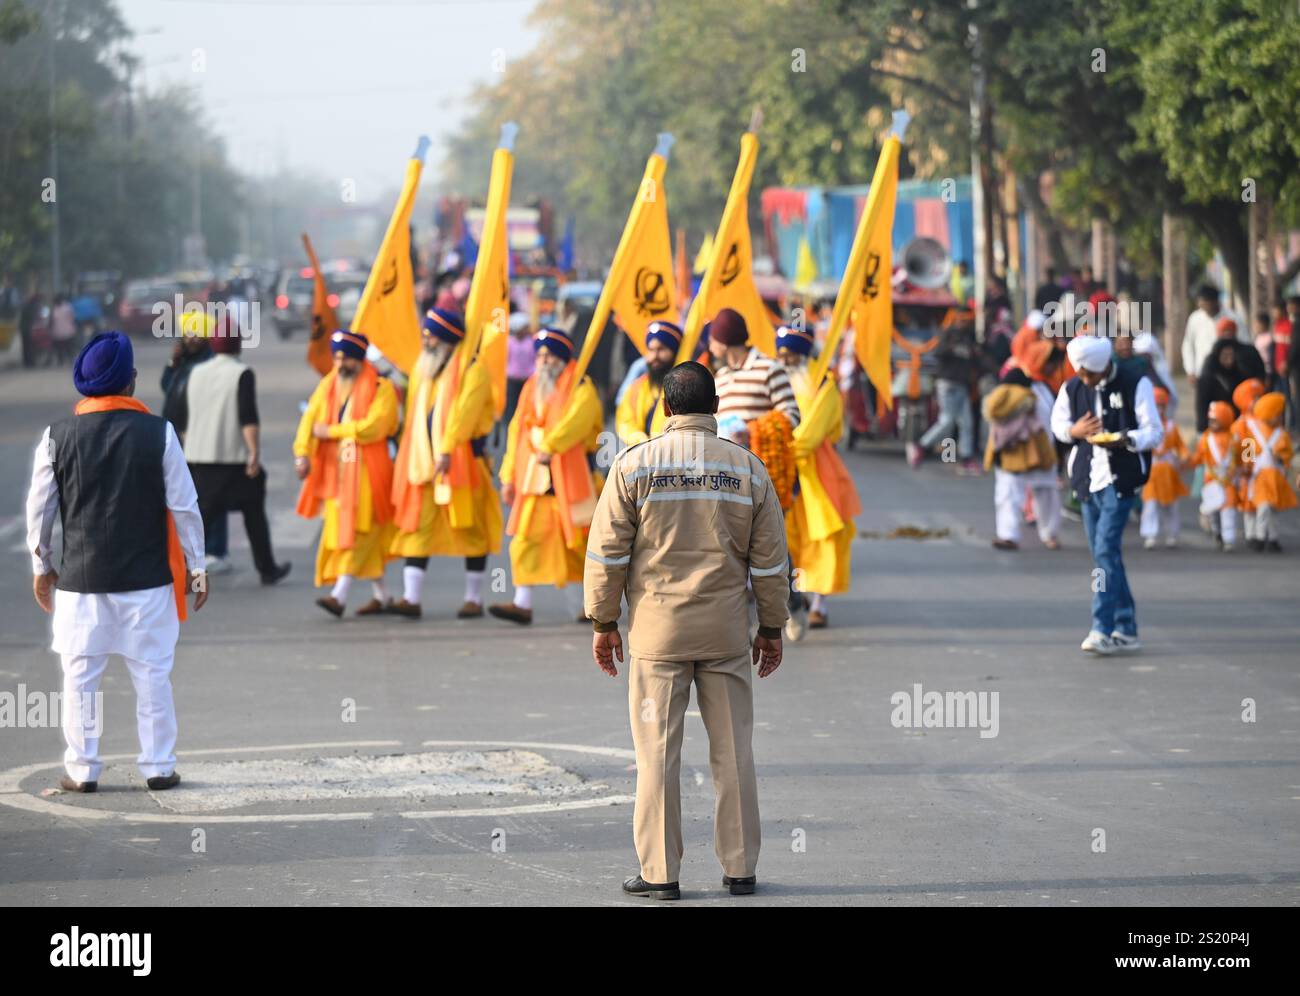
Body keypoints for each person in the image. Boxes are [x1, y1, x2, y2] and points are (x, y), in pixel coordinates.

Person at [584, 360, 788, 901]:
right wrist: (771, 626)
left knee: (656, 755)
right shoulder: (748, 470)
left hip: (658, 638)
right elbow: (770, 564)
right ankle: (740, 869)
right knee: (734, 753)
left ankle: (660, 875)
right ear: (715, 408)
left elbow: (606, 555)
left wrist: (604, 622)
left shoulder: (633, 467)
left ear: (666, 408)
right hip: (725, 636)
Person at [25, 331, 207, 793]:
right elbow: (185, 507)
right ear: (130, 382)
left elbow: (40, 510)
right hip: (147, 584)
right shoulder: (158, 433)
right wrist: (198, 567)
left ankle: (83, 770)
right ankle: (158, 767)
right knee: (152, 676)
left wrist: (42, 566)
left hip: (81, 584)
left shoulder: (56, 437)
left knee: (80, 679)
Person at [387, 308, 503, 619]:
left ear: (449, 341)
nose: (426, 342)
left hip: (463, 464)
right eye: (425, 336)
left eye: (432, 337)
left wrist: (447, 450)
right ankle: (410, 598)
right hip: (423, 466)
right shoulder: (423, 371)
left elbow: (464, 417)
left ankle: (473, 599)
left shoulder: (473, 371)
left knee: (469, 528)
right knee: (418, 528)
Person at [1051, 334, 1163, 655]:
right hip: (1087, 480)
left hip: (1121, 479)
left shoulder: (1134, 383)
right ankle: (1126, 627)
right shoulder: (1072, 388)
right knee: (1106, 554)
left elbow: (1154, 432)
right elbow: (1058, 425)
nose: (1084, 380)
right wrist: (1075, 432)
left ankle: (1101, 626)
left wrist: (1125, 439)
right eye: (1080, 373)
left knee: (1103, 553)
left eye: (1090, 374)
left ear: (1104, 366)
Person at [489, 327, 603, 625]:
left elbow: (579, 422)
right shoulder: (531, 386)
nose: (543, 361)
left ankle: (589, 606)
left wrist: (551, 446)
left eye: (549, 355)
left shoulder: (582, 387)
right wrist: (508, 476)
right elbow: (516, 430)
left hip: (573, 480)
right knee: (524, 541)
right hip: (535, 482)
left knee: (578, 545)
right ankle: (521, 603)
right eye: (539, 355)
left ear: (562, 358)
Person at [172, 321, 290, 584]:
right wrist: (254, 454)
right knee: (253, 513)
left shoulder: (196, 372)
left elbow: (181, 414)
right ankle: (267, 568)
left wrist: (194, 445)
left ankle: (177, 566)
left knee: (201, 517)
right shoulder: (242, 373)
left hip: (200, 458)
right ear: (238, 344)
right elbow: (248, 416)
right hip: (233, 459)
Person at [294, 330, 399, 617]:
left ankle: (339, 595)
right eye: (337, 357)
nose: (340, 363)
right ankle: (384, 596)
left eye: (346, 358)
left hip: (368, 471)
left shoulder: (382, 387)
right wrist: (302, 452)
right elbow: (310, 419)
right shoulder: (329, 384)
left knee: (358, 530)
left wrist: (333, 432)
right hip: (335, 473)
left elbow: (374, 427)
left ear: (359, 359)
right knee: (351, 532)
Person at [775, 324, 860, 629]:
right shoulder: (773, 378)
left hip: (816, 468)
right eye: (780, 354)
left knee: (822, 536)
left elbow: (815, 429)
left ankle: (820, 604)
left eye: (791, 355)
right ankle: (796, 597)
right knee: (785, 536)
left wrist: (787, 447)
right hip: (779, 468)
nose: (784, 360)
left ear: (803, 354)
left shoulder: (822, 381)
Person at [987, 341, 1063, 550]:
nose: (1053, 368)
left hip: (1042, 450)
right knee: (1009, 492)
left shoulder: (1047, 387)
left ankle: (1049, 534)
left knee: (1046, 493)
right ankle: (1008, 535)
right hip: (1015, 449)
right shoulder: (1016, 380)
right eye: (1050, 362)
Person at [917, 315, 980, 473]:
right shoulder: (947, 334)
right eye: (961, 320)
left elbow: (978, 358)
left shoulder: (968, 338)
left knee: (966, 423)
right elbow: (938, 353)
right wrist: (952, 347)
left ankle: (966, 457)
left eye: (966, 321)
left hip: (962, 384)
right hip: (947, 383)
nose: (964, 324)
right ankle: (922, 445)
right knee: (947, 421)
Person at [1237, 391, 1295, 552]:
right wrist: (1246, 467)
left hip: (1276, 478)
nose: (1280, 418)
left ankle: (1273, 537)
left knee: (1273, 509)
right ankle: (1261, 536)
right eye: (1277, 414)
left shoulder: (1282, 434)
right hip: (1260, 477)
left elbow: (1288, 454)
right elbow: (1247, 451)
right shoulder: (1253, 432)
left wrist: (1282, 457)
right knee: (1263, 507)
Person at [614, 320, 680, 447]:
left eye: (661, 349)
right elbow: (625, 421)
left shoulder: (687, 386)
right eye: (651, 350)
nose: (655, 356)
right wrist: (643, 442)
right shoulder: (637, 387)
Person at [1139, 387, 1189, 549]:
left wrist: (1184, 456)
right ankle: (1150, 534)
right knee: (1151, 505)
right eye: (1156, 406)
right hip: (1152, 471)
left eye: (1161, 405)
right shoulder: (1144, 427)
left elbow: (1180, 446)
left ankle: (1172, 534)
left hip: (1168, 471)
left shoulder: (1171, 427)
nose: (1159, 409)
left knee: (1170, 505)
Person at [1191, 401, 1240, 552]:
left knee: (1228, 510)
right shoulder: (1205, 438)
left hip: (1229, 481)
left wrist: (1247, 467)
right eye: (1210, 420)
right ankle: (1217, 531)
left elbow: (1246, 453)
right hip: (1211, 481)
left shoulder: (1235, 438)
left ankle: (1229, 539)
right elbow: (1198, 457)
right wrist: (1186, 462)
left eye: (1215, 420)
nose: (1211, 423)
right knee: (1213, 511)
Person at [50, 295, 77, 365]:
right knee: (59, 348)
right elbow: (52, 320)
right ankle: (60, 361)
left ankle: (71, 360)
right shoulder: (54, 308)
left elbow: (73, 317)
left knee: (69, 348)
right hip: (57, 332)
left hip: (68, 331)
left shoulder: (67, 307)